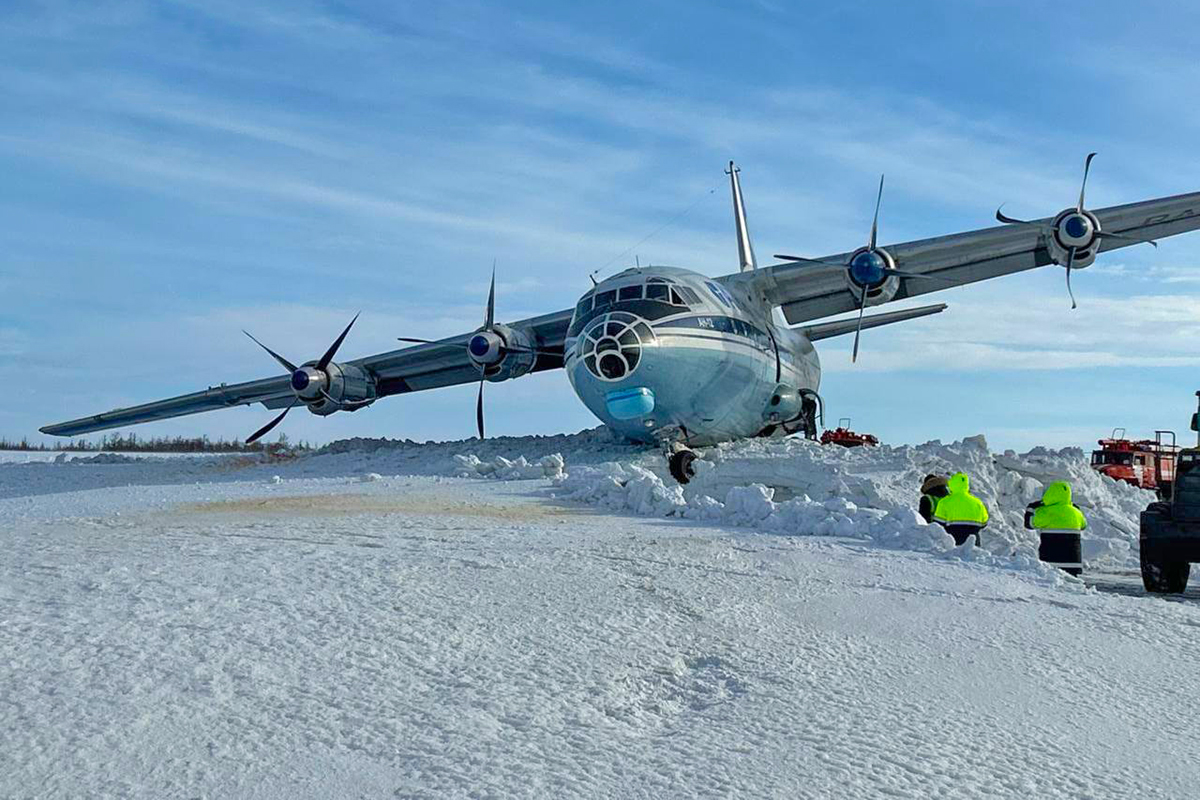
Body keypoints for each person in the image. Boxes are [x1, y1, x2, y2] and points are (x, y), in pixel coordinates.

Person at [1025, 481, 1087, 576]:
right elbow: (1084, 525)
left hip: (1052, 565)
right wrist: (1076, 509)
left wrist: (1030, 508)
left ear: (1050, 494)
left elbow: (1029, 524)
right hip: (1074, 565)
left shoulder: (1046, 511)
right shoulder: (1076, 513)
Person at [932, 472, 989, 546]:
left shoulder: (944, 502)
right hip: (973, 543)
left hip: (952, 542)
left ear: (951, 485)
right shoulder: (977, 502)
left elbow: (938, 524)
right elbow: (984, 523)